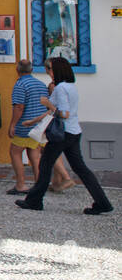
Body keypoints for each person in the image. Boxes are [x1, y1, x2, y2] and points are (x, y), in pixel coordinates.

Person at [16, 58, 113, 214]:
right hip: (74, 132)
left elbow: (63, 113)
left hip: (63, 133)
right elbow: (53, 112)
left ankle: (34, 201)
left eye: (50, 70)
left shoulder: (60, 89)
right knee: (81, 169)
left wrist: (48, 104)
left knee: (45, 164)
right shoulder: (71, 87)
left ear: (57, 71)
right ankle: (103, 203)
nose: (49, 73)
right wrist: (33, 121)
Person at [6, 58, 72, 195]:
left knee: (15, 152)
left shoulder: (20, 85)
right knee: (34, 155)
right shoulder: (41, 84)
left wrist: (13, 124)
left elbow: (19, 107)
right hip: (39, 127)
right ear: (31, 70)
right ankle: (39, 184)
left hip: (25, 126)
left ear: (17, 70)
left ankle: (20, 184)